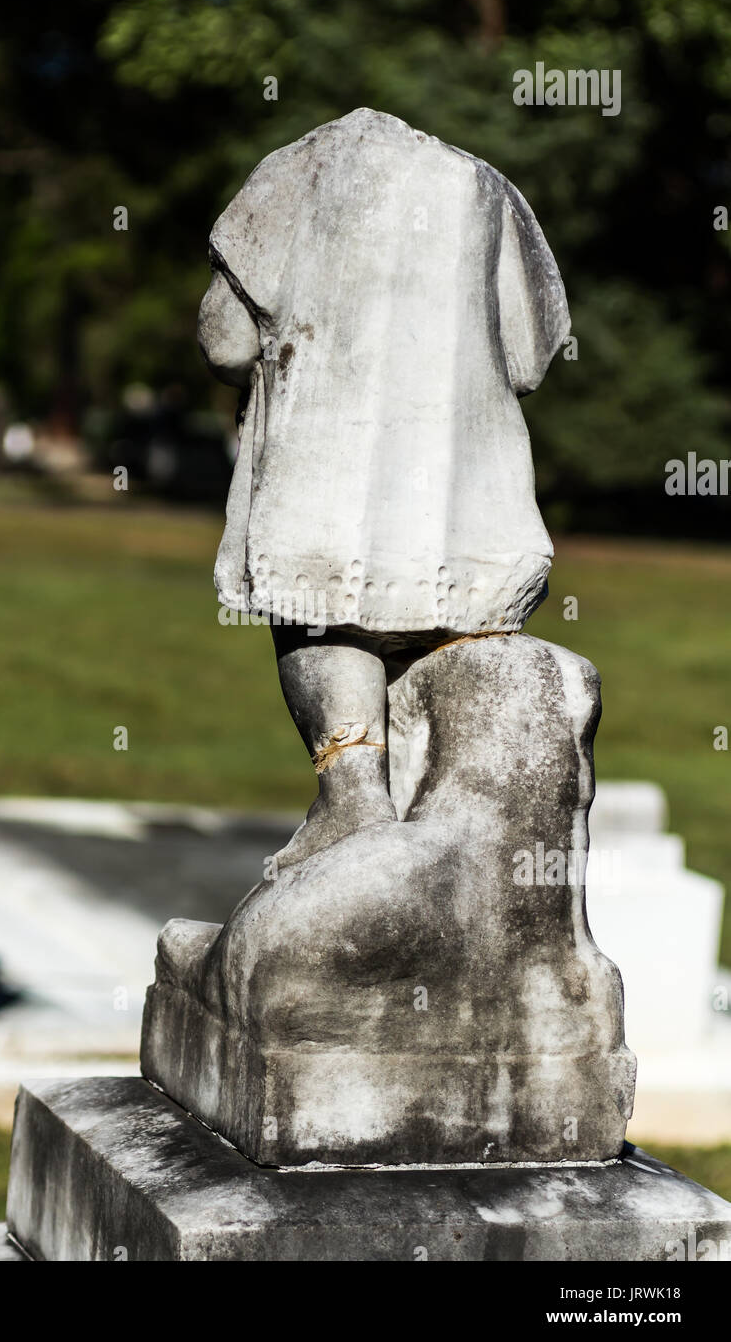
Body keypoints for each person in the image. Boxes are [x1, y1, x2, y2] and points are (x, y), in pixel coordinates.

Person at [198, 109, 569, 866]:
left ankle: (353, 791)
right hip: (470, 499)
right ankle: (437, 821)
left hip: (320, 466)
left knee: (320, 614)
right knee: (443, 621)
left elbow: (225, 338)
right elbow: (530, 361)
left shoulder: (292, 173)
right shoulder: (488, 188)